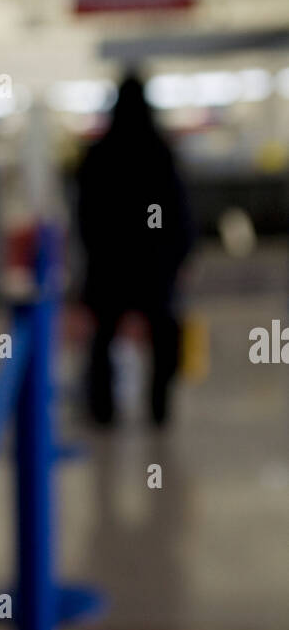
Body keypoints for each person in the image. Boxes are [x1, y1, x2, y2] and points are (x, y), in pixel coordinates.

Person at [76, 74, 194, 426]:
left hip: (109, 265)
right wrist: (179, 258)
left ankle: (103, 409)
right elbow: (179, 212)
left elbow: (85, 215)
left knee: (103, 339)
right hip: (153, 266)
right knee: (161, 337)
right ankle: (159, 406)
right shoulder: (160, 152)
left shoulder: (98, 155)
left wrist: (93, 255)